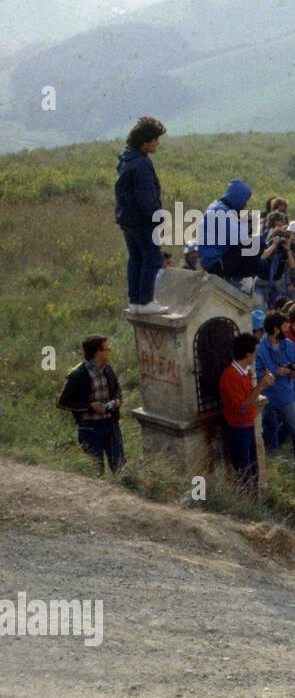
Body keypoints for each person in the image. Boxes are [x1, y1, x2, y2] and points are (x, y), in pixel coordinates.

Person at [115, 116, 169, 314]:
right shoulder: (141, 163)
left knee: (136, 257)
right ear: (145, 141)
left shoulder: (126, 158)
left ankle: (135, 301)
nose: (158, 143)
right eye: (155, 139)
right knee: (153, 257)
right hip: (143, 221)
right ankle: (146, 302)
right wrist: (159, 218)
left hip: (127, 219)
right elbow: (146, 197)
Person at [57, 334, 125, 474]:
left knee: (120, 468)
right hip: (90, 429)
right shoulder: (77, 374)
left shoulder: (108, 369)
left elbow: (116, 388)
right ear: (98, 352)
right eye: (107, 349)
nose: (110, 351)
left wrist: (117, 400)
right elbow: (63, 402)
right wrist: (89, 406)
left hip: (111, 424)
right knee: (95, 471)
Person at [220, 332, 275, 495]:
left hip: (247, 426)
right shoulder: (230, 376)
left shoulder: (245, 372)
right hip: (237, 430)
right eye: (254, 352)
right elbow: (242, 407)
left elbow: (247, 397)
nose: (256, 356)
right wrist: (261, 387)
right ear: (247, 354)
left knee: (254, 471)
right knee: (245, 474)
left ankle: (254, 504)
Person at [256, 311, 295, 474]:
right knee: (268, 428)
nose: (287, 328)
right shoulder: (260, 348)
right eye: (284, 325)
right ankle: (271, 459)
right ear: (275, 328)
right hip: (267, 396)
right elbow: (258, 372)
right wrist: (275, 371)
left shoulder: (288, 344)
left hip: (286, 395)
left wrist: (293, 371)